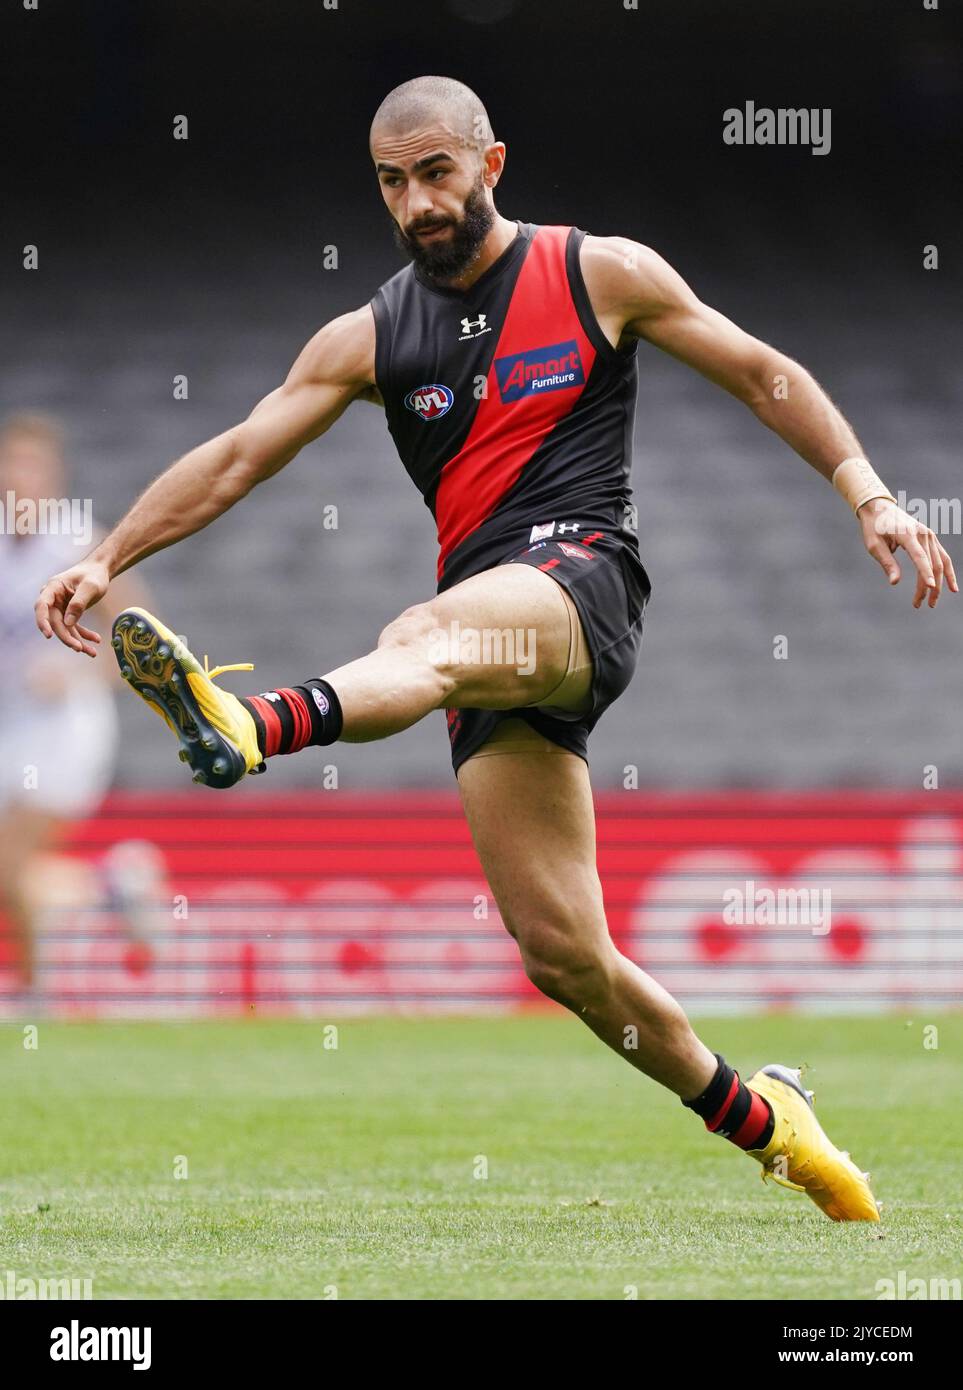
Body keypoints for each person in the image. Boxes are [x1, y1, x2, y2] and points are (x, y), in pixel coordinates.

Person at [35, 77, 957, 1220]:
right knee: (562, 954)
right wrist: (108, 550)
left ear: (491, 164)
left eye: (435, 172)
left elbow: (760, 370)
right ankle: (773, 1120)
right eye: (391, 182)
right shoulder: (370, 336)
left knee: (423, 634)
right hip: (486, 646)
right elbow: (237, 454)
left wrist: (865, 490)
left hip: (580, 582)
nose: (417, 200)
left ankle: (253, 723)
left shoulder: (596, 273)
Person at [0, 413, 155, 1004]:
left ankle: (34, 990)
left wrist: (73, 673)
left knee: (12, 861)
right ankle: (111, 888)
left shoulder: (77, 542)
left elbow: (141, 640)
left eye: (31, 465)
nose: (20, 477)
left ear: (54, 476)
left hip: (68, 728)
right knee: (11, 870)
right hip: (12, 725)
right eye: (12, 464)